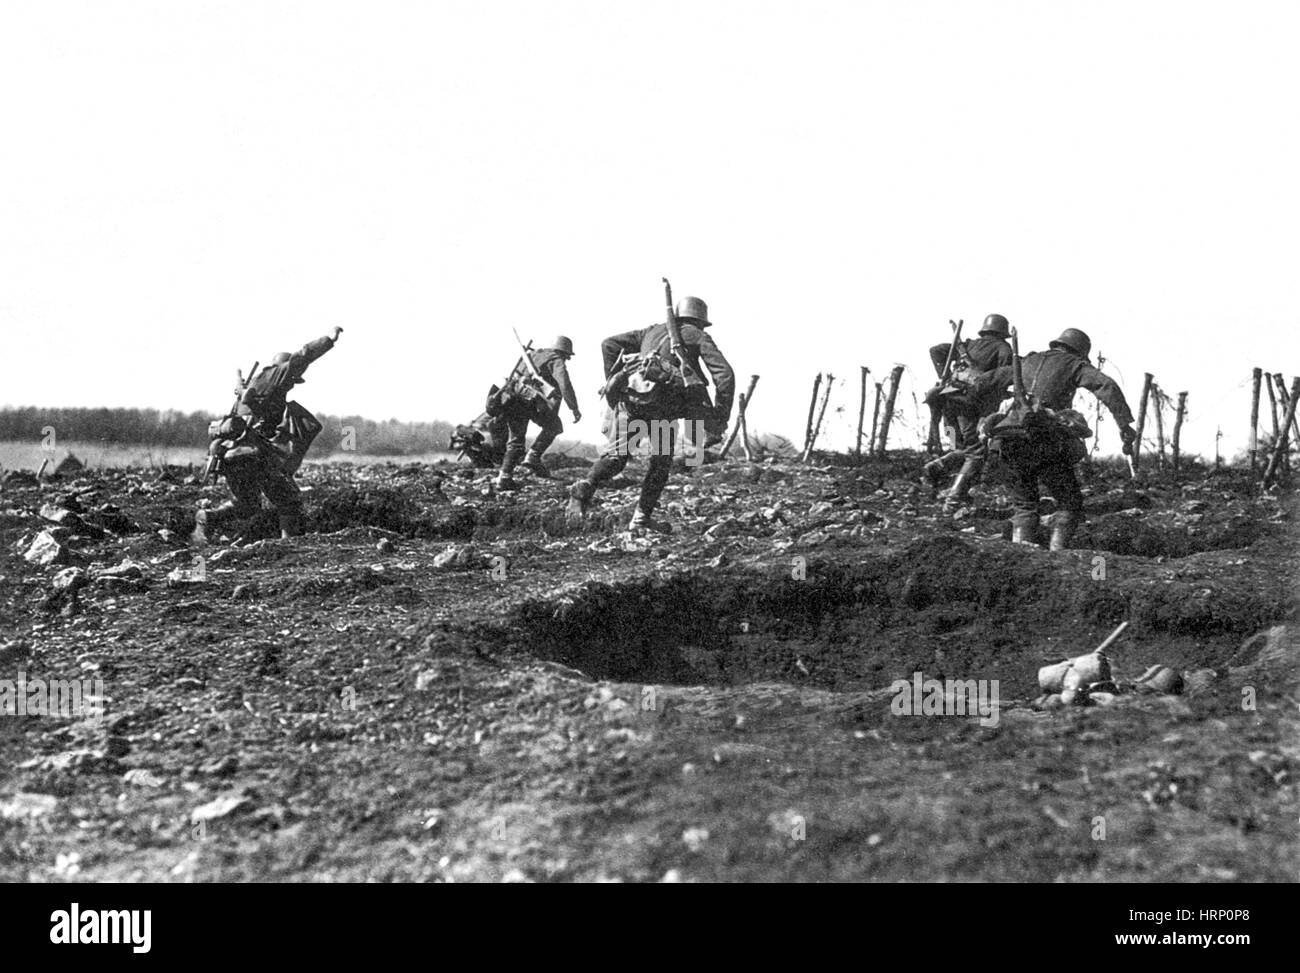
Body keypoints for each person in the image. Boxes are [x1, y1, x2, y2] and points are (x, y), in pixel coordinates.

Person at [568, 295, 734, 533]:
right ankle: (640, 520)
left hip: (631, 402)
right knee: (660, 464)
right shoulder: (697, 335)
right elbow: (725, 375)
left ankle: (585, 486)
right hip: (662, 411)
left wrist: (614, 383)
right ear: (700, 321)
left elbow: (609, 344)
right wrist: (720, 416)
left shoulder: (651, 331)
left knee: (615, 458)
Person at [974, 327, 1136, 551]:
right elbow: (1105, 386)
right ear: (1080, 351)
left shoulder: (1026, 361)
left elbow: (982, 382)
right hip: (1045, 440)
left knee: (1024, 505)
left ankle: (1024, 554)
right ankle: (1058, 556)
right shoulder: (1074, 364)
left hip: (1007, 438)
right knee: (1069, 503)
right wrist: (1124, 424)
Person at [195, 327, 341, 542]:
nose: (293, 382)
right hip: (252, 454)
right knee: (289, 501)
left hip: (229, 455)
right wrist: (329, 339)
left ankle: (207, 517)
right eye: (292, 378)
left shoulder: (252, 389)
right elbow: (303, 356)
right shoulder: (275, 376)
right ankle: (288, 547)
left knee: (248, 504)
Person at [922, 313, 1014, 512]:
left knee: (963, 447)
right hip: (970, 406)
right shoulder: (1003, 348)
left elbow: (936, 351)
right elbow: (1005, 375)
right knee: (977, 454)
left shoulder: (970, 345)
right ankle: (953, 500)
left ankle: (937, 466)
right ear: (1003, 332)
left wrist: (944, 378)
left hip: (947, 399)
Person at [494, 336, 580, 490]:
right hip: (528, 402)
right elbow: (564, 384)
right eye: (566, 357)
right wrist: (574, 408)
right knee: (554, 426)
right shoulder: (556, 359)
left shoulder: (532, 355)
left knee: (515, 441)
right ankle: (532, 457)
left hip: (510, 399)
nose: (566, 360)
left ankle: (504, 477)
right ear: (563, 352)